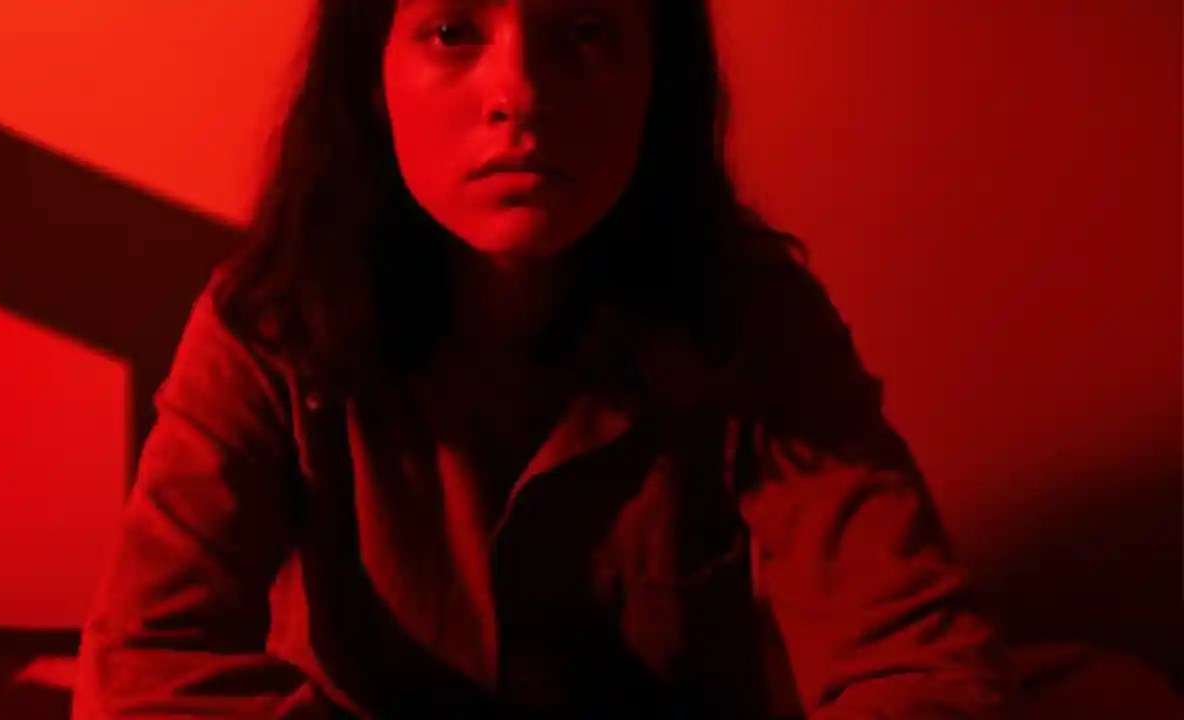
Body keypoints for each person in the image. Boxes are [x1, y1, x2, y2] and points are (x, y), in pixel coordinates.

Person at [73, 0, 1014, 717]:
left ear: (657, 79)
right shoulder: (269, 324)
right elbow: (142, 674)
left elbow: (918, 660)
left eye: (586, 33)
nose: (519, 93)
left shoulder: (751, 313)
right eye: (451, 31)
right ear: (372, 75)